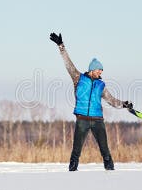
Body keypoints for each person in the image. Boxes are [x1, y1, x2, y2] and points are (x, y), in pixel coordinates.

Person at [49, 32, 131, 171]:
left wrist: (123, 104)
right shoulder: (78, 78)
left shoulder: (101, 85)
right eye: (99, 69)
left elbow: (111, 100)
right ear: (92, 70)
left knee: (104, 149)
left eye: (101, 70)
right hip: (82, 119)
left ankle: (110, 170)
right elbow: (68, 64)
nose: (101, 72)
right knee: (77, 149)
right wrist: (61, 46)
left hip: (98, 120)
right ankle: (72, 170)